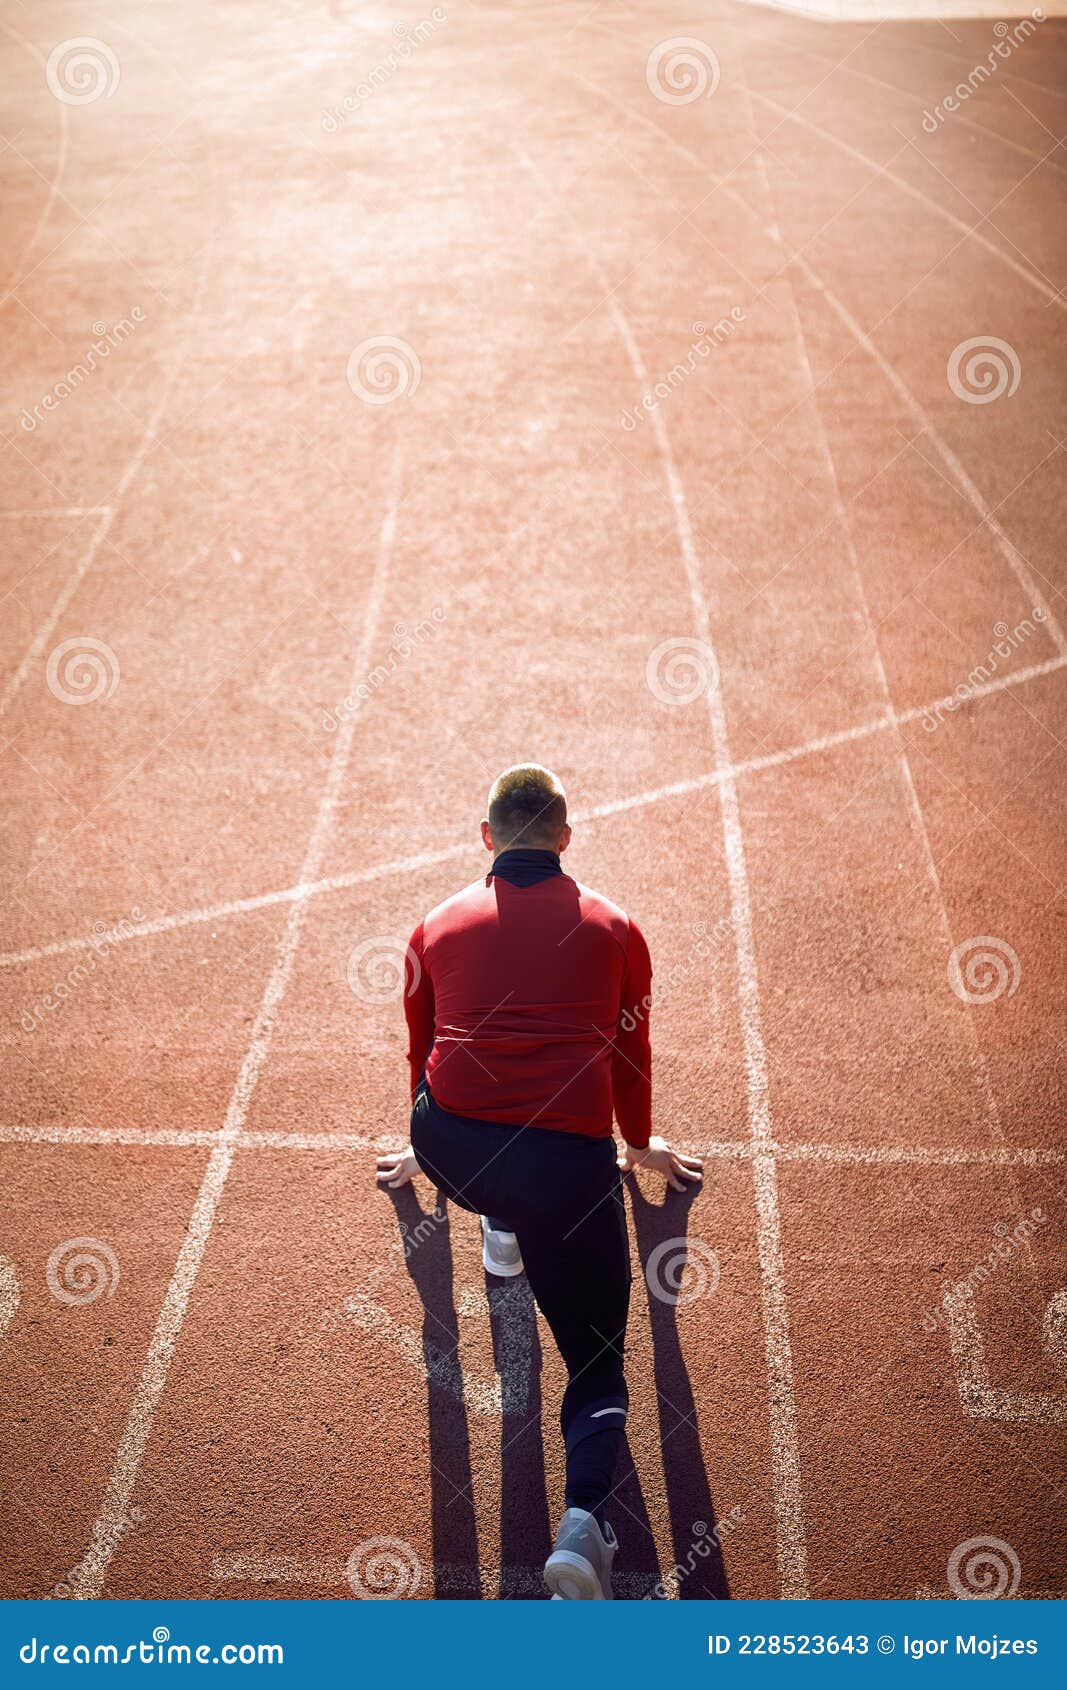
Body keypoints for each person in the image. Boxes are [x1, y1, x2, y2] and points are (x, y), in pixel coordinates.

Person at [375, 763, 702, 1599]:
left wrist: (428, 1155)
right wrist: (637, 1147)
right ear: (565, 835)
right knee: (595, 1363)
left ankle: (497, 1224)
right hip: (565, 1171)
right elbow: (631, 1058)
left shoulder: (433, 924)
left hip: (453, 1147)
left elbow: (422, 1060)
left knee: (497, 1186)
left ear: (486, 839)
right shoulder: (616, 927)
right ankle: (582, 1530)